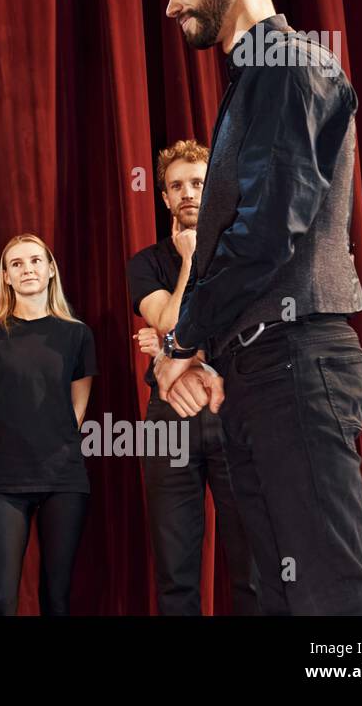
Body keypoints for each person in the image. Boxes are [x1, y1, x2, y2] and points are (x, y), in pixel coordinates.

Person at [150, 0, 362, 615]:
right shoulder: (250, 81)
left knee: (333, 599)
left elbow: (261, 235)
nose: (170, 5)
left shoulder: (287, 66)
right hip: (256, 374)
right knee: (282, 598)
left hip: (296, 364)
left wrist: (180, 344)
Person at [126, 139, 257, 614]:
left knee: (253, 566)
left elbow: (242, 330)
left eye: (198, 183)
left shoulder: (243, 254)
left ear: (215, 186)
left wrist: (177, 358)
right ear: (163, 197)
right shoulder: (147, 263)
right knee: (175, 569)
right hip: (170, 416)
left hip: (233, 408)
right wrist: (187, 261)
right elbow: (167, 320)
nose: (188, 193)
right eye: (176, 186)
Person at [0, 234, 95, 616]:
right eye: (16, 264)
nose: (27, 269)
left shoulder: (77, 333)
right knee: (0, 597)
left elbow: (77, 407)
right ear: (7, 277)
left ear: (49, 270)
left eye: (34, 261)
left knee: (57, 596)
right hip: (4, 479)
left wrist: (53, 445)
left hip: (63, 478)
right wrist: (4, 449)